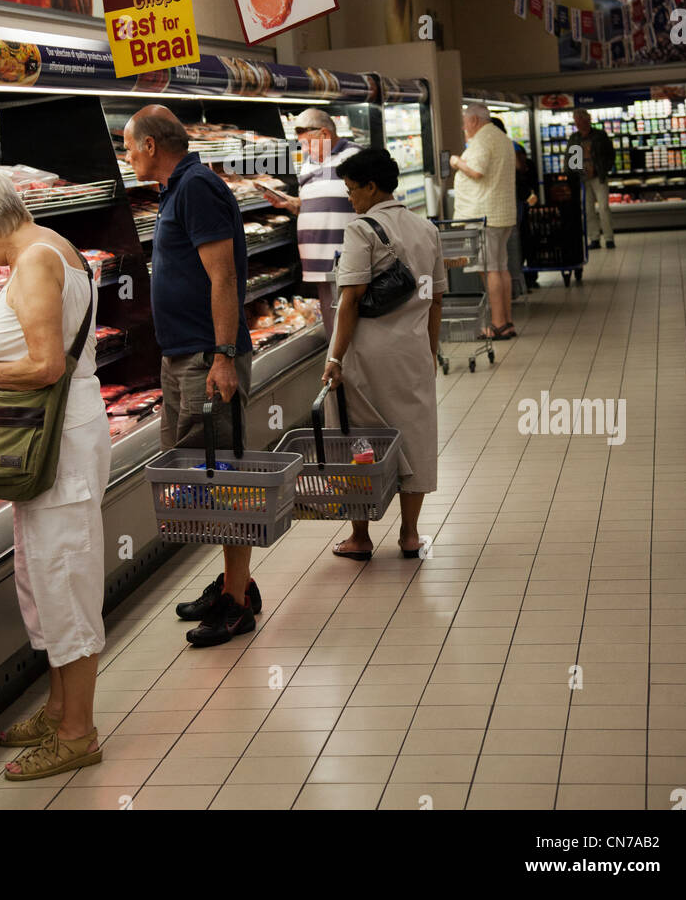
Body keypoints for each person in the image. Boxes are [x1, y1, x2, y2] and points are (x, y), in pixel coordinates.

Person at [0, 161, 110, 781]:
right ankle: (61, 706)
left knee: (65, 575)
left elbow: (46, 366)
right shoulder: (47, 245)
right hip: (53, 437)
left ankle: (78, 732)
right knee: (45, 574)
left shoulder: (35, 260)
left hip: (57, 438)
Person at [123, 105, 258, 647]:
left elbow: (222, 276)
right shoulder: (178, 189)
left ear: (152, 145)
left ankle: (237, 601)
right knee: (203, 475)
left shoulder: (197, 186)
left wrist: (223, 354)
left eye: (130, 146)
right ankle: (235, 582)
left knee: (224, 476)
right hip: (184, 354)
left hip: (207, 356)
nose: (127, 156)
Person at [321, 148, 445, 560]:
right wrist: (429, 349)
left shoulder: (362, 230)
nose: (350, 198)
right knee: (414, 435)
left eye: (352, 189)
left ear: (372, 187)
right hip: (411, 353)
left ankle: (360, 536)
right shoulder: (426, 228)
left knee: (360, 439)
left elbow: (351, 298)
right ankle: (410, 535)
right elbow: (436, 298)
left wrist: (334, 358)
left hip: (367, 357)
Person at [261, 108, 356, 340]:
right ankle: (339, 367)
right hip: (319, 265)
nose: (302, 148)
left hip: (348, 260)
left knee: (355, 321)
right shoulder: (309, 164)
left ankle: (357, 369)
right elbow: (311, 203)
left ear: (323, 133)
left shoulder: (355, 157)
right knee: (333, 322)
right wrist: (291, 204)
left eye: (304, 142)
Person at [450, 101, 518, 339]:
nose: (463, 127)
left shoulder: (482, 140)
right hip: (501, 213)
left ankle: (498, 324)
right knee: (500, 267)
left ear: (474, 121)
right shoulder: (501, 137)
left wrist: (457, 162)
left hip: (485, 215)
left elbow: (476, 171)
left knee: (489, 270)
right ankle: (507, 321)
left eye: (464, 122)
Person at [567, 108, 616, 249]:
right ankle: (594, 238)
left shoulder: (600, 136)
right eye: (576, 121)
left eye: (580, 120)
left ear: (587, 120)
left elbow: (610, 154)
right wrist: (571, 175)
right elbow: (571, 160)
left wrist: (604, 168)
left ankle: (609, 238)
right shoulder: (574, 138)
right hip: (582, 179)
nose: (578, 123)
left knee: (604, 208)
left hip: (598, 177)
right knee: (587, 210)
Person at [516, 145, 540, 289]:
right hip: (521, 212)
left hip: (518, 213)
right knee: (526, 244)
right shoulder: (525, 164)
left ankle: (525, 280)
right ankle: (529, 278)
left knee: (521, 246)